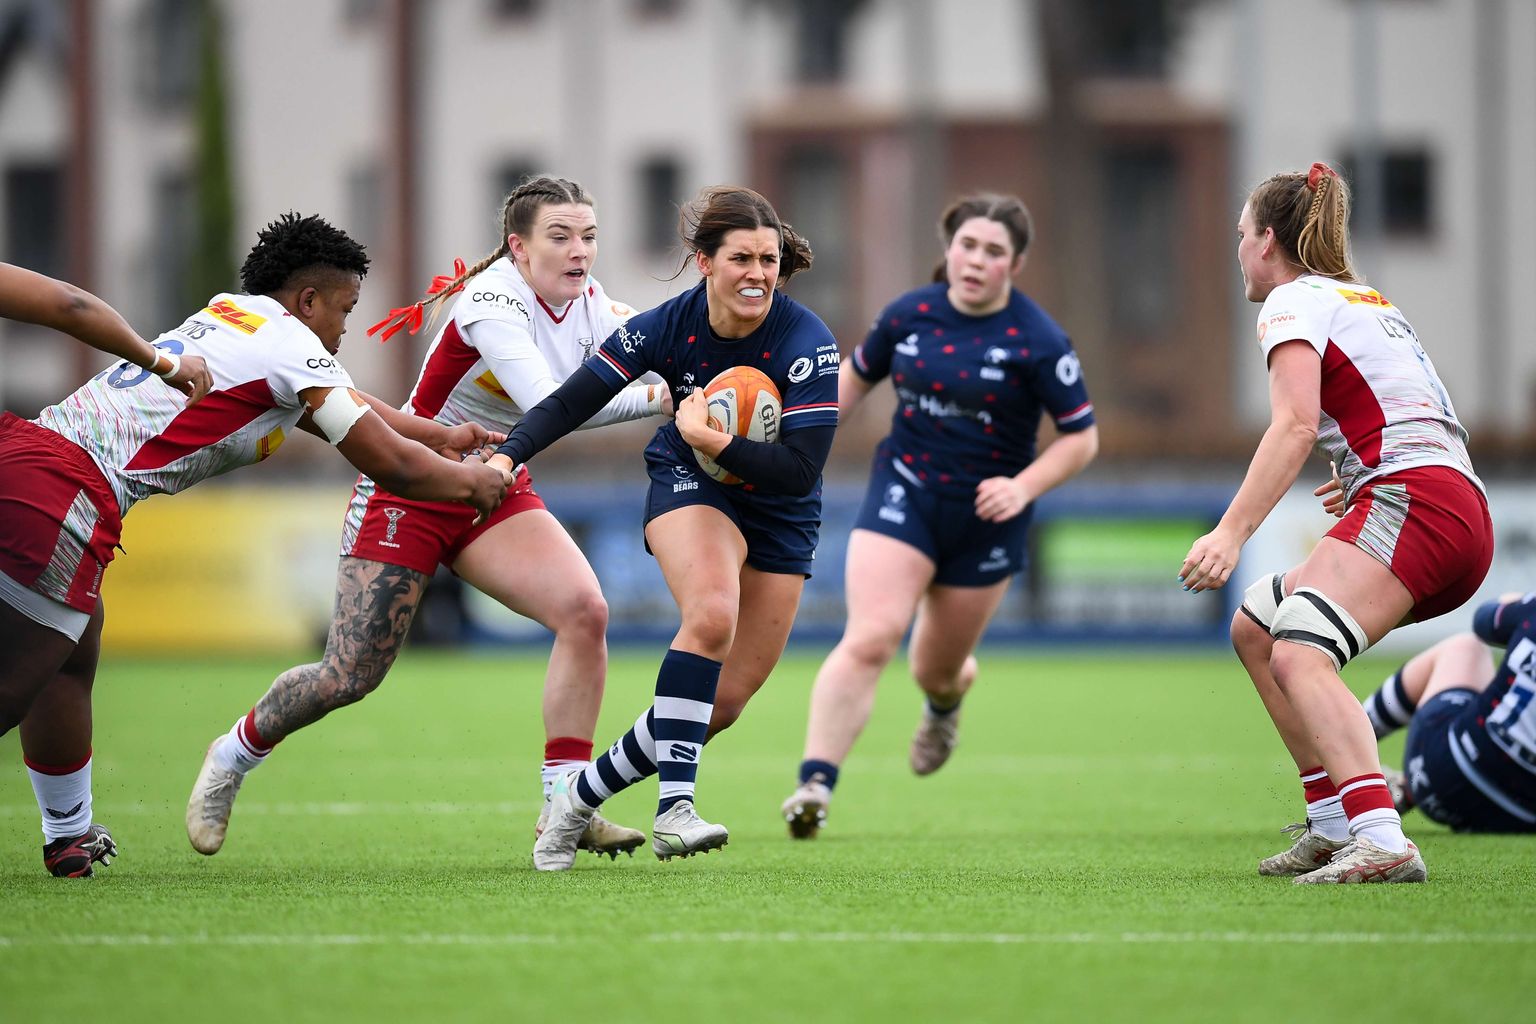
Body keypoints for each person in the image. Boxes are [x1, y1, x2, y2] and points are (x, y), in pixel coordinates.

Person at [0, 216, 511, 877]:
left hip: (23, 449)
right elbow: (391, 467)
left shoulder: (235, 315)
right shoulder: (292, 347)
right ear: (308, 300)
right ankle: (66, 833)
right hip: (61, 493)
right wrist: (473, 484)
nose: (345, 327)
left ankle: (69, 835)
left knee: (73, 652)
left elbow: (342, 406)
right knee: (12, 688)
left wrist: (438, 435)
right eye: (345, 308)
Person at [186, 177, 669, 861]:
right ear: (518, 247)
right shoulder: (493, 301)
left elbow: (666, 343)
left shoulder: (595, 307)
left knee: (585, 610)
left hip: (491, 486)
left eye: (588, 236)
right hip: (408, 486)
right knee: (348, 676)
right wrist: (659, 399)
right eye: (560, 236)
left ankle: (565, 803)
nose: (579, 251)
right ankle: (232, 755)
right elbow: (550, 405)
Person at [490, 185, 840, 870]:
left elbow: (800, 471)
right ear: (704, 261)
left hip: (781, 504)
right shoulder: (663, 327)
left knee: (719, 705)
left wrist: (713, 438)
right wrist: (508, 454)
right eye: (741, 258)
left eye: (768, 260)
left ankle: (576, 798)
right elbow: (569, 402)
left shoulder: (808, 341)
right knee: (710, 616)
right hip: (691, 482)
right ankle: (675, 811)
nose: (758, 274)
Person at [1179, 162, 1493, 884]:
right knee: (1258, 628)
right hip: (1446, 501)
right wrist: (1359, 469)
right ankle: (1330, 823)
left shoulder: (1290, 300)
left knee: (1299, 652)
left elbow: (1293, 426)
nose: (1238, 250)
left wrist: (1229, 533)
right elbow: (1414, 410)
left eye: (1240, 234)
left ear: (1266, 240)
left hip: (1418, 503)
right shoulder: (1363, 297)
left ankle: (1382, 838)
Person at [778, 193, 1099, 838]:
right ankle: (815, 784)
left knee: (935, 669)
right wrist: (788, 435)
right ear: (948, 248)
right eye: (967, 245)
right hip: (904, 492)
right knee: (872, 636)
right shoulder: (909, 314)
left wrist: (1023, 487)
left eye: (994, 251)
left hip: (986, 520)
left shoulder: (1039, 340)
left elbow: (1081, 438)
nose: (976, 260)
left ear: (1016, 264)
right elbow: (849, 384)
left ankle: (946, 702)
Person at [1354, 590, 1536, 833]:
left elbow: (1484, 621)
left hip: (1448, 777)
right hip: (1524, 817)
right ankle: (1404, 789)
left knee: (1466, 648)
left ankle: (1347, 744)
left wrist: (1517, 601)